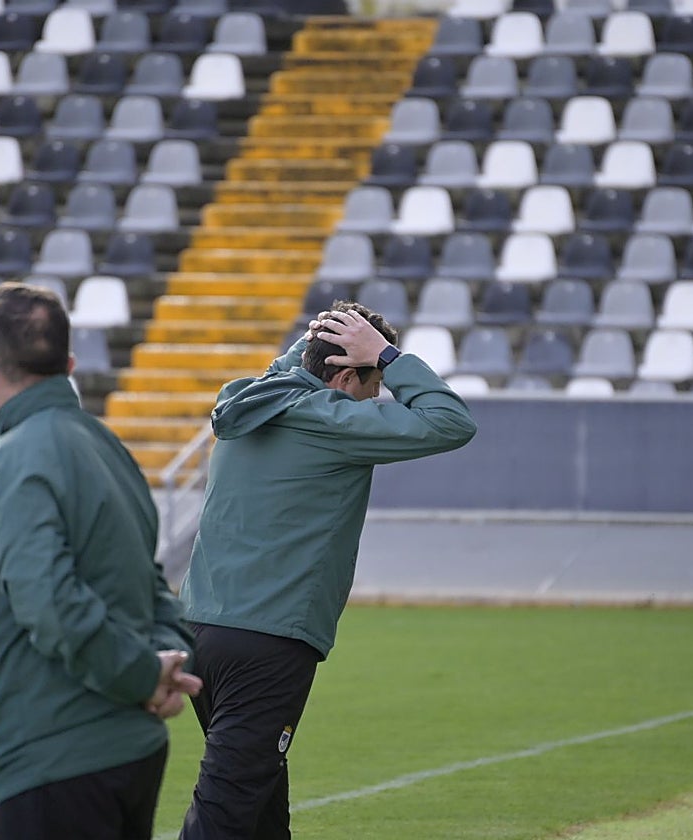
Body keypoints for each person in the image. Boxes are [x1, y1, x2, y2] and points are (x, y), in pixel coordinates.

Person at [178, 301, 478, 839]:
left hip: (203, 628)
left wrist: (319, 340)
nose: (375, 398)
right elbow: (451, 422)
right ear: (344, 377)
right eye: (372, 385)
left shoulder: (249, 405)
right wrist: (389, 355)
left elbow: (288, 374)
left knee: (261, 811)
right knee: (224, 814)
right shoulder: (329, 419)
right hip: (267, 644)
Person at [0, 281, 202, 840]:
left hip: (49, 757)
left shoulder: (15, 458)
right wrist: (169, 658)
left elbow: (49, 601)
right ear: (67, 365)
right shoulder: (107, 447)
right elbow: (154, 582)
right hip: (127, 749)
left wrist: (144, 674)